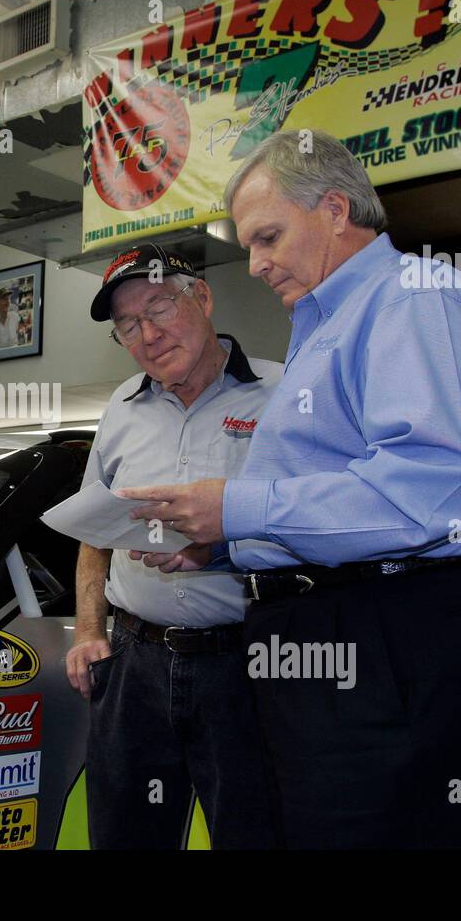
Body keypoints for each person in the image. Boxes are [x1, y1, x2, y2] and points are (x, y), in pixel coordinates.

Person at [121, 130, 461, 849]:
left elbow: (440, 488)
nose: (255, 264)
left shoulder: (416, 298)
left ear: (337, 210)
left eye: (268, 237)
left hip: (401, 632)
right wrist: (224, 546)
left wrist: (240, 508)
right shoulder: (326, 329)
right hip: (341, 638)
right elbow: (335, 496)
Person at [64, 243, 282, 849]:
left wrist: (219, 547)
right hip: (136, 664)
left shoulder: (283, 393)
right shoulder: (121, 407)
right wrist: (89, 631)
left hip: (247, 664)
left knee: (254, 832)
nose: (148, 334)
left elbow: (313, 526)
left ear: (202, 298)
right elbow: (93, 530)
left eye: (158, 306)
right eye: (127, 325)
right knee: (125, 836)